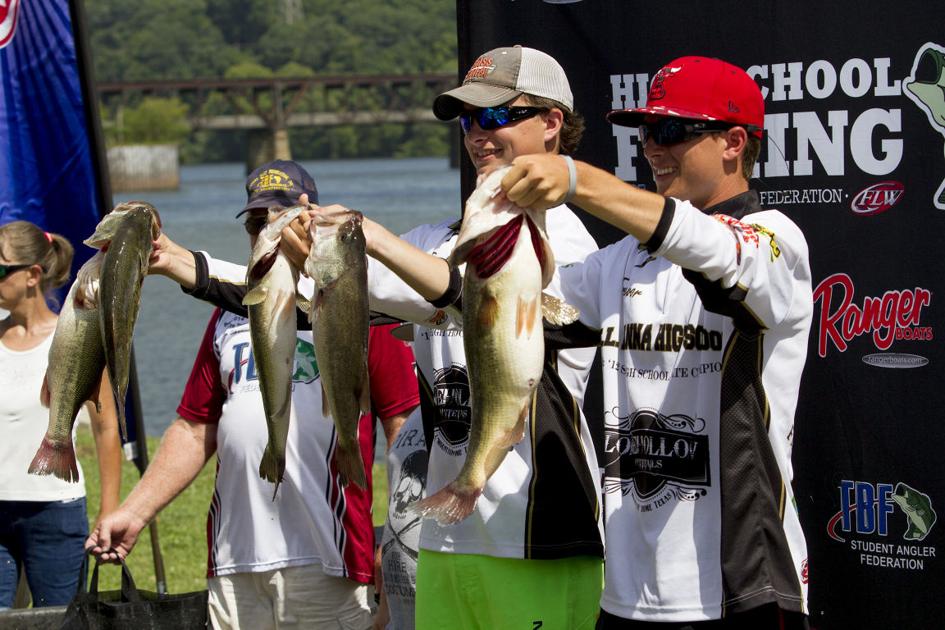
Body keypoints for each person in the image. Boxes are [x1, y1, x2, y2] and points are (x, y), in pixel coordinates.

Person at [284, 46, 605, 629]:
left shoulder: (568, 245)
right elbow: (342, 295)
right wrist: (302, 252)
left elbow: (461, 292)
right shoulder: (438, 237)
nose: (479, 134)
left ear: (552, 123)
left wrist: (374, 238)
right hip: (447, 536)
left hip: (536, 533)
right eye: (468, 120)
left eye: (496, 116)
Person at [494, 56, 813, 629]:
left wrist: (578, 179)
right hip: (628, 590)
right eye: (644, 134)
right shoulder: (623, 258)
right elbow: (509, 308)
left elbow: (713, 249)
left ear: (734, 143)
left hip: (740, 583)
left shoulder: (776, 239)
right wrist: (366, 249)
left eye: (670, 131)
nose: (651, 149)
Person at [86, 161, 420, 629]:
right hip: (234, 561)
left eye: (282, 218)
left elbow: (404, 423)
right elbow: (194, 426)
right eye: (258, 224)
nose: (269, 231)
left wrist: (402, 532)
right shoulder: (228, 313)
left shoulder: (355, 305)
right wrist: (135, 512)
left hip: (327, 557)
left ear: (311, 218)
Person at [0, 220, 121, 608]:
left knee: (60, 620)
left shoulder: (74, 335)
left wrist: (109, 511)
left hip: (55, 510)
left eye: (0, 268)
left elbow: (105, 427)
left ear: (32, 274)